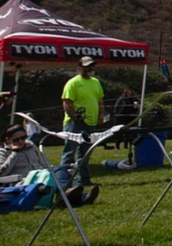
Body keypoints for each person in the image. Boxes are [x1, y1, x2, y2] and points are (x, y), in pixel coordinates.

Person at [1, 123, 101, 207]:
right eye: (16, 140)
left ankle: (79, 198)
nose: (21, 141)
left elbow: (43, 163)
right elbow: (2, 173)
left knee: (62, 168)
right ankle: (73, 195)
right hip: (23, 183)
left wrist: (51, 169)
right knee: (59, 171)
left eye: (23, 138)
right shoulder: (4, 152)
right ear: (8, 140)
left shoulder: (30, 147)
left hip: (41, 176)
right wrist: (14, 153)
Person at [60, 56, 104, 190]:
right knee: (69, 152)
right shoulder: (73, 82)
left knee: (85, 152)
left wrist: (100, 115)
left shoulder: (96, 82)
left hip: (91, 122)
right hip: (75, 123)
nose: (90, 69)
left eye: (92, 66)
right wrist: (74, 118)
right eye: (87, 66)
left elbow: (100, 101)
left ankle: (84, 179)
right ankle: (63, 181)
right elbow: (67, 102)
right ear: (79, 68)